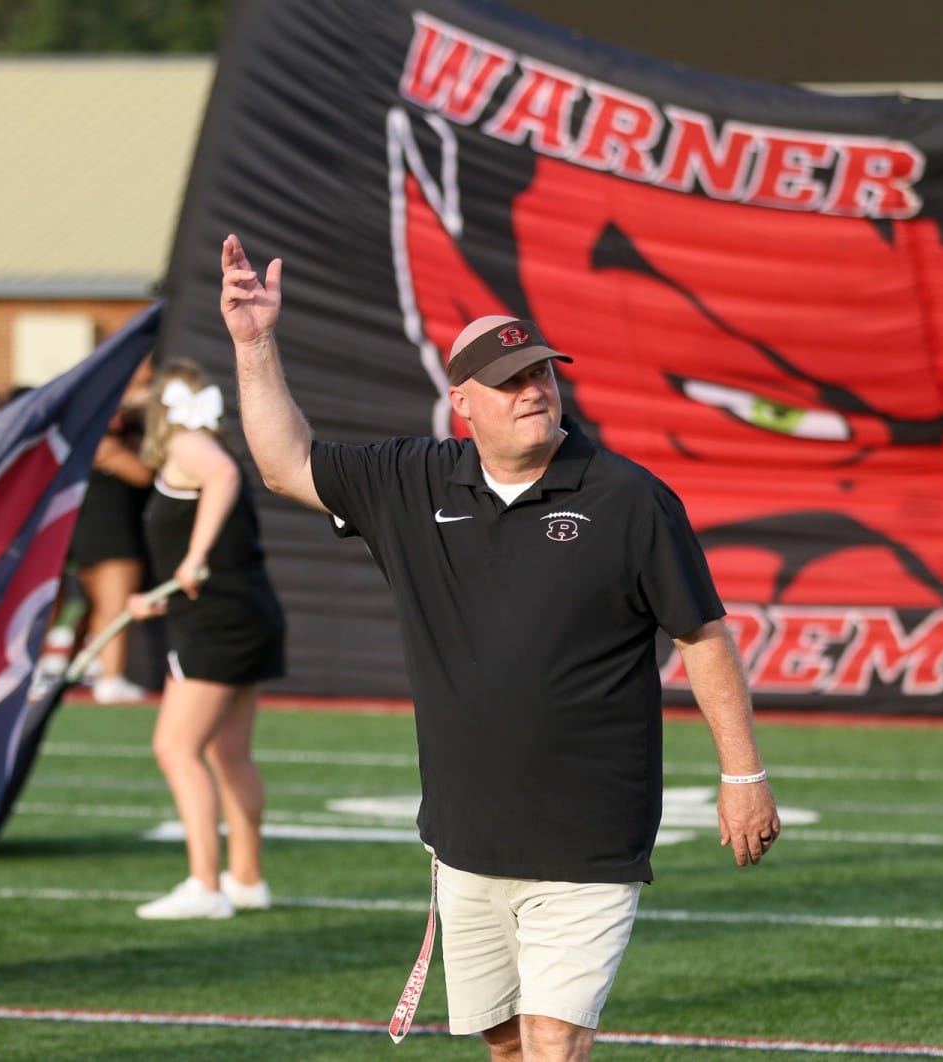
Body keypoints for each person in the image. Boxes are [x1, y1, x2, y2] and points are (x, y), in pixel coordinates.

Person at [220, 234, 780, 1061]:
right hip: (466, 839)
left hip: (588, 839)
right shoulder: (413, 481)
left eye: (542, 373)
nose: (533, 390)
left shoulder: (628, 498)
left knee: (554, 1047)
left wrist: (743, 775)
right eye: (510, 380)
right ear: (464, 404)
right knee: (510, 1045)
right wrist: (256, 344)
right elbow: (283, 464)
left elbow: (703, 636)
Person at [127, 358, 286, 920]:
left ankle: (206, 885)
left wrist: (192, 559)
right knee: (227, 751)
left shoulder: (191, 446)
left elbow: (222, 476)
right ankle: (245, 878)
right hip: (238, 611)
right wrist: (163, 593)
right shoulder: (195, 447)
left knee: (176, 748)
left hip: (220, 622)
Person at [64, 356, 156, 703]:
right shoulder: (103, 446)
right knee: (113, 610)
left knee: (99, 610)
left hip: (95, 535)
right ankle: (111, 677)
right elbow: (144, 474)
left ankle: (77, 670)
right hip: (111, 538)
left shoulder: (104, 441)